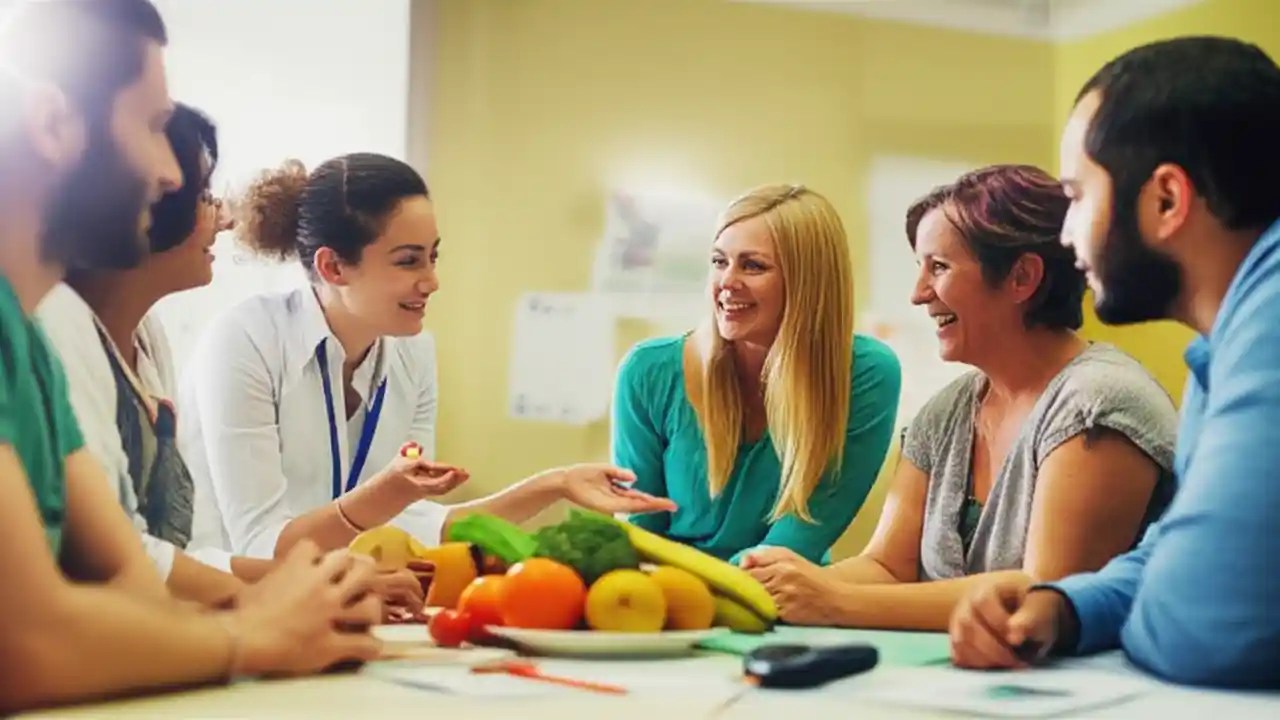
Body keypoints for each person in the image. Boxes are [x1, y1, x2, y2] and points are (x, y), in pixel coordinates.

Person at [0, 0, 381, 711]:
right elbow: (26, 643)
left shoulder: (28, 341)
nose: (171, 174)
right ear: (52, 125)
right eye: (151, 127)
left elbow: (132, 580)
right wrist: (253, 635)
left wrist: (279, 611)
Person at [949, 37, 1280, 689]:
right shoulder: (1227, 337)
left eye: (1076, 195)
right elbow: (1173, 554)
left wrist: (1151, 602)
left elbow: (1206, 627)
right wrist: (1066, 608)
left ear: (1166, 200)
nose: (1068, 233)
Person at [742, 165, 1177, 631]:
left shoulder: (1100, 404)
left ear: (1022, 278)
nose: (918, 294)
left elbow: (1045, 594)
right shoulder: (945, 413)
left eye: (939, 267)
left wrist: (834, 601)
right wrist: (783, 586)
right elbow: (889, 566)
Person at [179, 153, 676, 560]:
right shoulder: (244, 342)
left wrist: (556, 484)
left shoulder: (412, 353)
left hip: (331, 604)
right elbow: (261, 546)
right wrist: (384, 496)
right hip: (227, 611)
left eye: (433, 256)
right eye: (408, 261)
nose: (431, 281)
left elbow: (414, 525)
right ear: (332, 266)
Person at [38, 104, 426, 615]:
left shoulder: (148, 339)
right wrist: (287, 597)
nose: (223, 216)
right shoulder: (60, 326)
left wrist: (320, 584)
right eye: (203, 196)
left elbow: (165, 552)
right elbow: (122, 556)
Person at [611, 184, 901, 565]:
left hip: (783, 599)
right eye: (719, 261)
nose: (727, 283)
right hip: (664, 595)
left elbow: (799, 536)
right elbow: (639, 528)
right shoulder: (647, 371)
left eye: (753, 266)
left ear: (807, 282)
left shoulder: (866, 373)